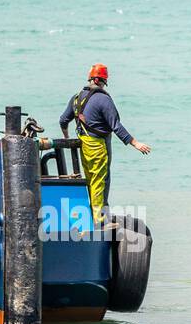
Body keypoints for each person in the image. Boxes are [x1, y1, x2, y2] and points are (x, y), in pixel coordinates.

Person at [58, 63, 150, 226]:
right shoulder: (104, 99)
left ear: (90, 79)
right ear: (103, 81)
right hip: (98, 146)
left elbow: (63, 120)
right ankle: (101, 220)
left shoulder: (77, 97)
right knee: (100, 180)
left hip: (83, 145)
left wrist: (67, 138)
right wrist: (135, 143)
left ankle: (92, 216)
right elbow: (116, 126)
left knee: (90, 179)